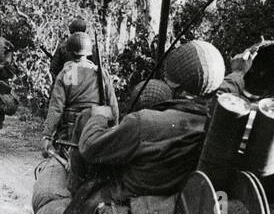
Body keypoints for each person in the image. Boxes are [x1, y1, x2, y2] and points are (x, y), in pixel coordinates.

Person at [74, 40, 224, 199]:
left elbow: (90, 147)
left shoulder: (144, 122)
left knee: (85, 118)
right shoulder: (218, 127)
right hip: (179, 200)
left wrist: (98, 116)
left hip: (129, 202)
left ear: (176, 85)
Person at [42, 31, 118, 155]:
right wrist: (114, 129)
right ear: (89, 52)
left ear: (69, 52)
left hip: (70, 132)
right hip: (96, 129)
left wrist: (47, 135)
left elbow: (56, 108)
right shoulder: (100, 73)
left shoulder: (66, 73)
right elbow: (113, 105)